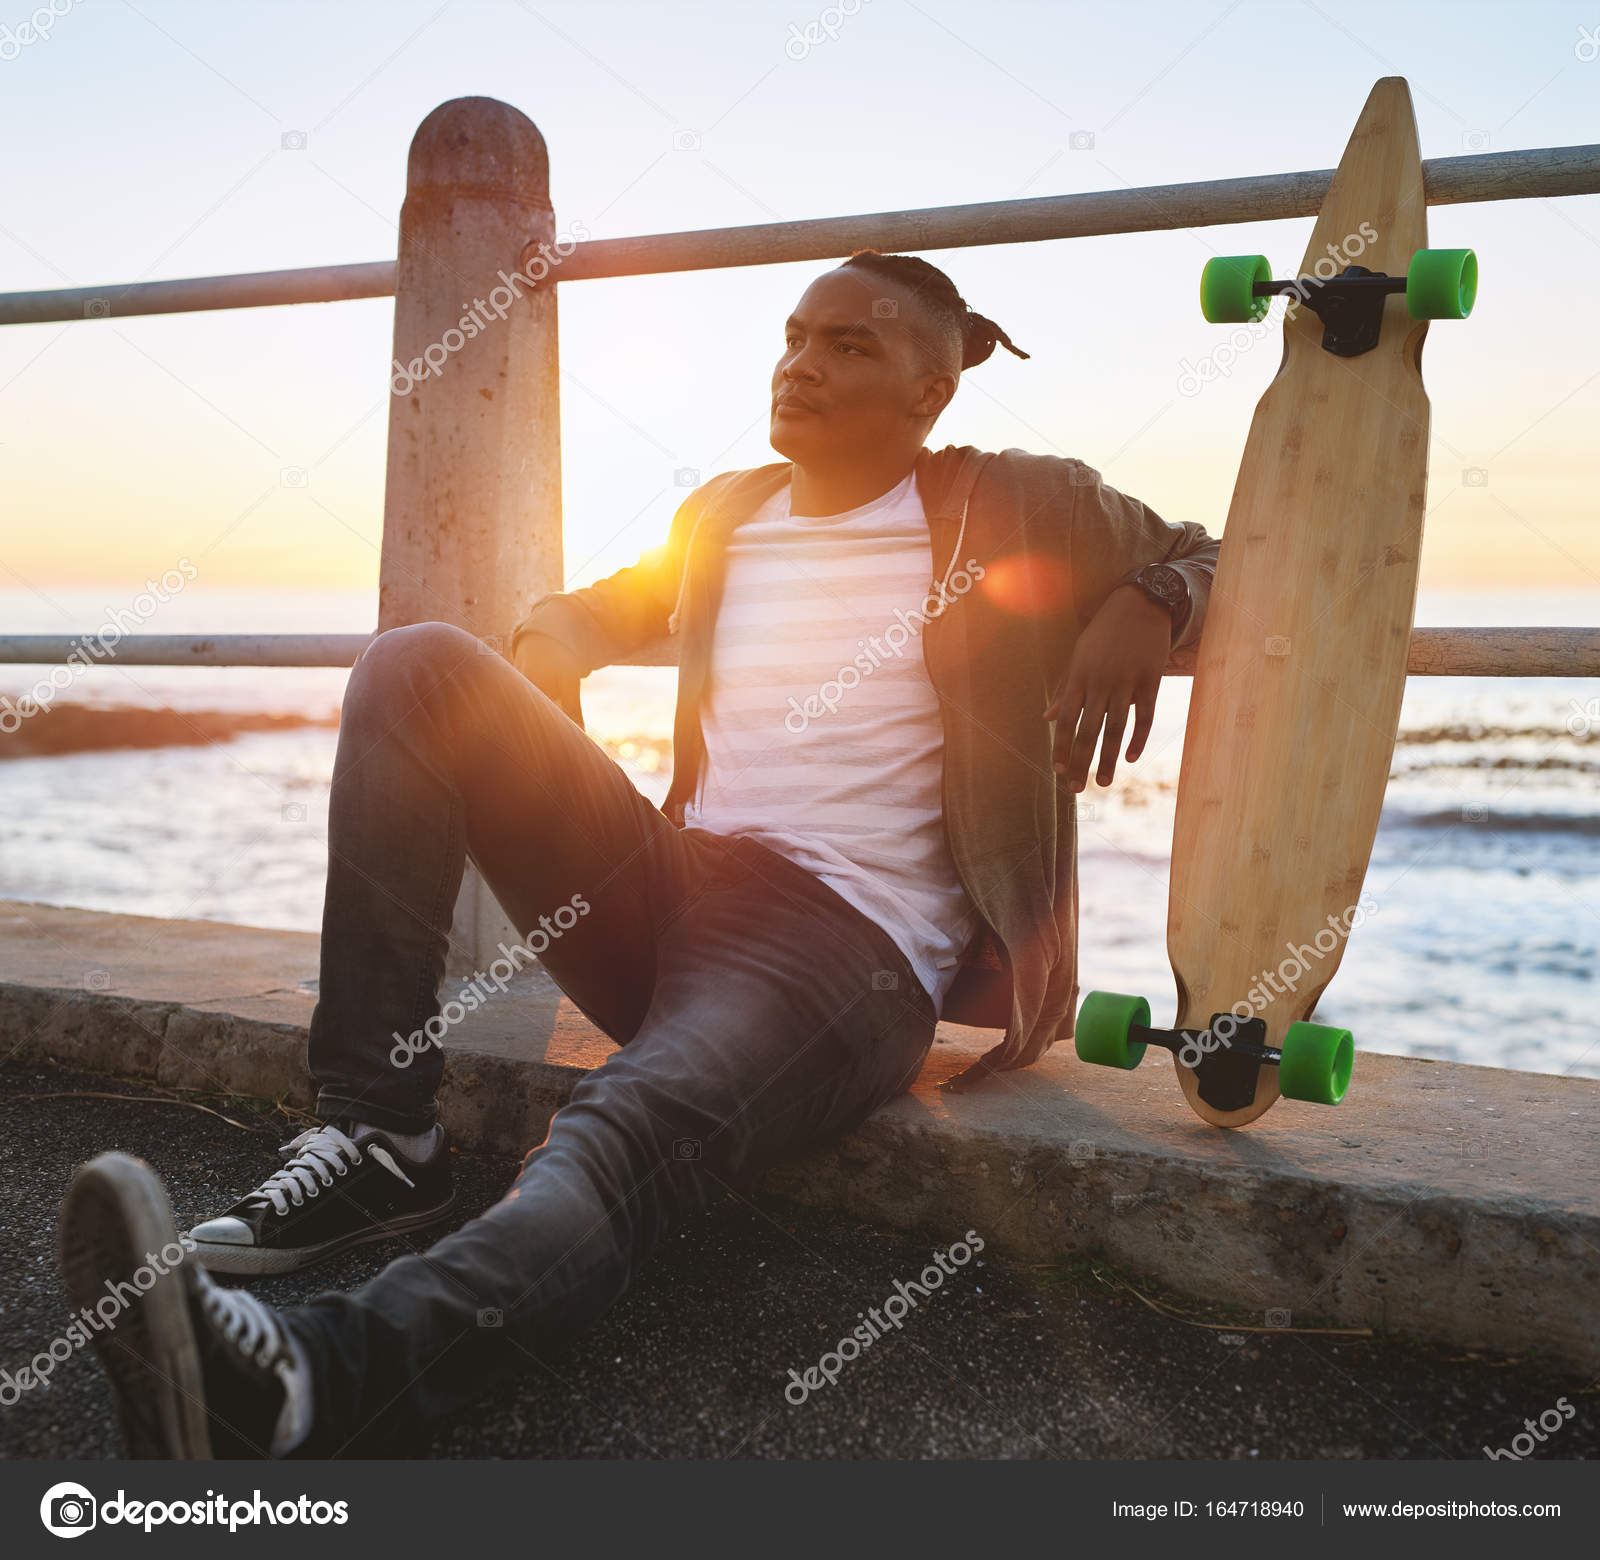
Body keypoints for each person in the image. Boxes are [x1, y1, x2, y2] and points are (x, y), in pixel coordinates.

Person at [57, 249, 1219, 1458]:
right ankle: (380, 1134)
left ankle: (308, 1387)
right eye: (795, 335)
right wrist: (546, 645)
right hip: (674, 887)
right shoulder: (725, 511)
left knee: (619, 1129)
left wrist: (1151, 600)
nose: (801, 366)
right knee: (417, 666)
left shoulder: (1019, 502)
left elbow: (1218, 551)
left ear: (931, 395)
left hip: (847, 950)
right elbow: (618, 600)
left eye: (850, 347)